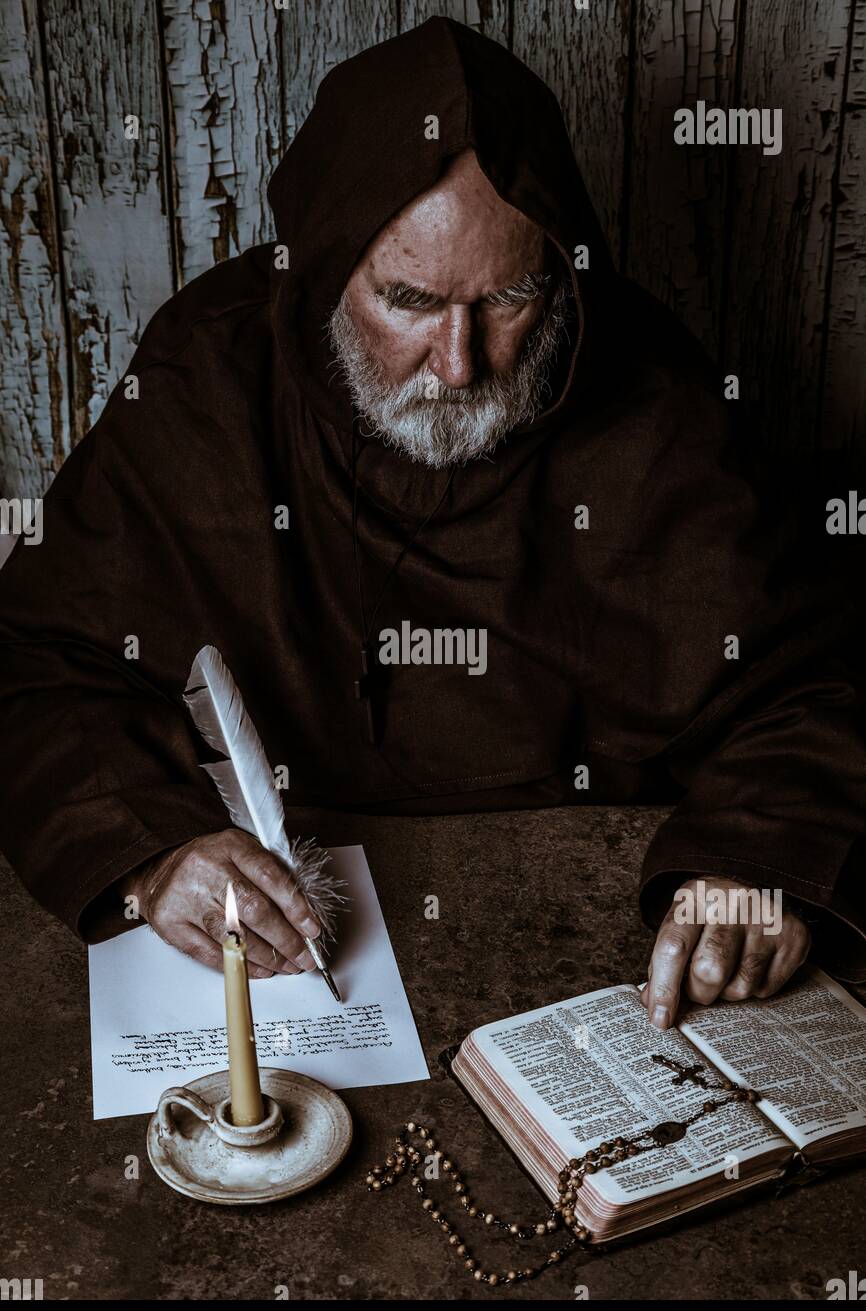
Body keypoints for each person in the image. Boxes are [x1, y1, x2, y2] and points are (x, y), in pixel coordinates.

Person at [1, 17, 864, 1029]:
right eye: (407, 299)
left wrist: (753, 862)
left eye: (507, 297)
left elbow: (816, 677)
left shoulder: (654, 396)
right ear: (326, 270)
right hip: (284, 937)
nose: (460, 364)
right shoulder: (208, 374)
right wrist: (152, 851)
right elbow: (34, 658)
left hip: (600, 924)